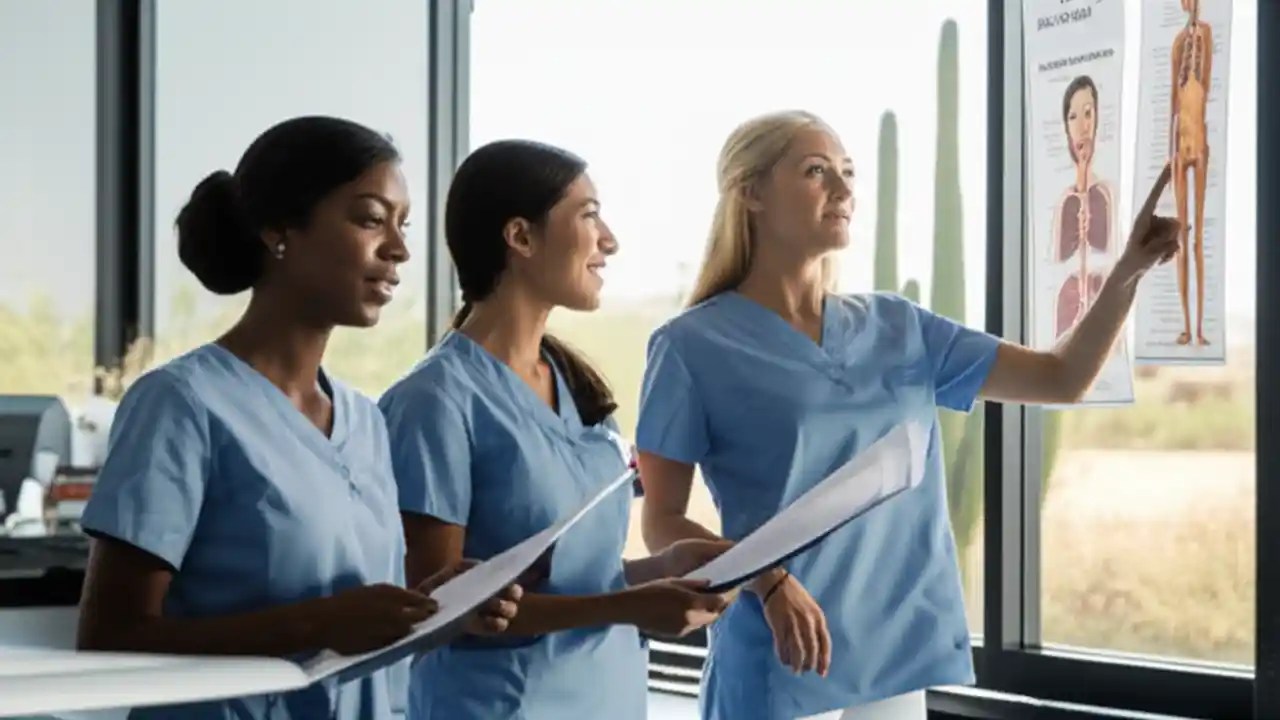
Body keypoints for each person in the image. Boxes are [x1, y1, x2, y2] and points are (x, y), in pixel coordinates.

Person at [634, 110, 1179, 720]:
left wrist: (1128, 270)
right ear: (751, 192)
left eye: (848, 172)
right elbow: (662, 521)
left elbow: (1062, 377)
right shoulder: (690, 346)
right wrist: (767, 580)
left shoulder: (898, 325)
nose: (843, 190)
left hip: (895, 657)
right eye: (815, 172)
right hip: (783, 659)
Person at [76, 115, 521, 720]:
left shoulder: (365, 422)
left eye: (403, 224)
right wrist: (317, 624)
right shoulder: (181, 403)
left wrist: (434, 609)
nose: (399, 249)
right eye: (371, 219)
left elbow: (353, 629)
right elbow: (110, 638)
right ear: (279, 231)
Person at [377, 138, 734, 720]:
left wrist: (660, 570)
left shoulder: (577, 389)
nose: (609, 240)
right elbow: (440, 611)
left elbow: (579, 579)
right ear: (520, 237)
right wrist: (627, 607)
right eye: (589, 215)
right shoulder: (433, 403)